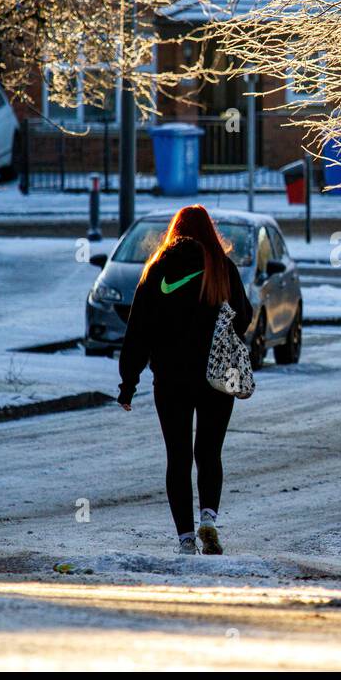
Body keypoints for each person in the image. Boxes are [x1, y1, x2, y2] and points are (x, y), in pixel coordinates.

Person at [117, 205, 253, 555]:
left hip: (171, 380)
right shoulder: (222, 268)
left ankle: (185, 539)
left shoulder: (158, 268)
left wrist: (127, 383)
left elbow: (138, 330)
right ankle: (208, 518)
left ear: (174, 230)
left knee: (177, 457)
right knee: (209, 451)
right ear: (210, 231)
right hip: (215, 377)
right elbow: (245, 315)